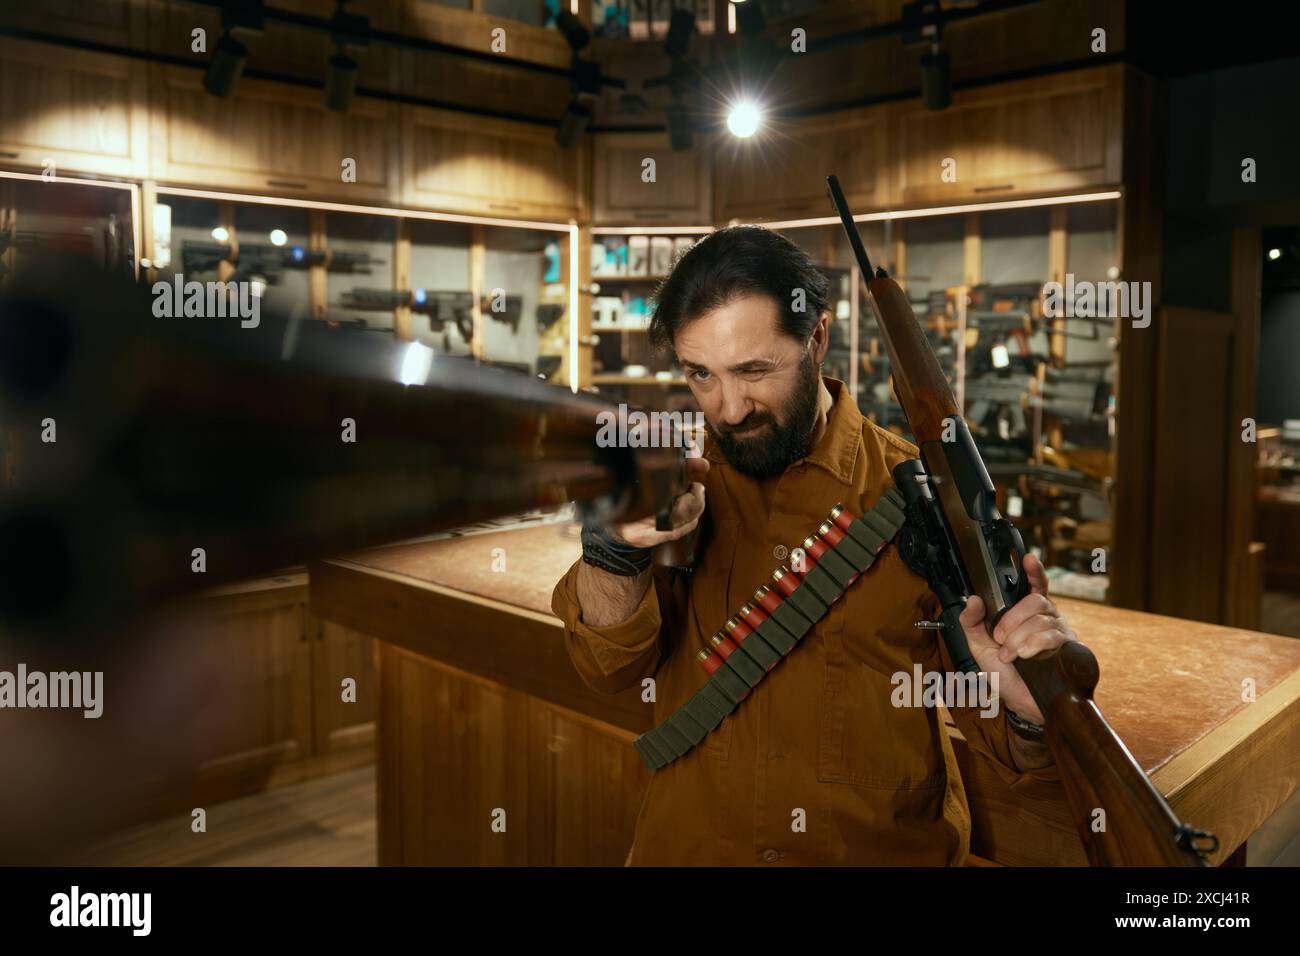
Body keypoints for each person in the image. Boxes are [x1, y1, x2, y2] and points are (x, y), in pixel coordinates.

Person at [551, 225, 1076, 865]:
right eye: (700, 374)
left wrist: (1025, 711)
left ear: (817, 338)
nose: (729, 407)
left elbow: (1017, 753)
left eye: (753, 370)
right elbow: (606, 670)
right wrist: (614, 550)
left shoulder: (926, 497)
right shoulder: (673, 481)